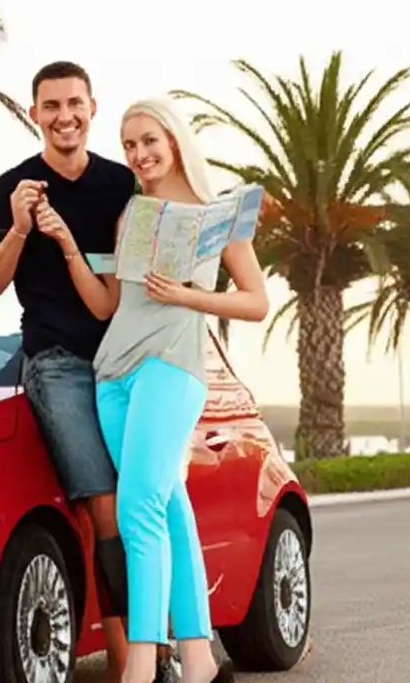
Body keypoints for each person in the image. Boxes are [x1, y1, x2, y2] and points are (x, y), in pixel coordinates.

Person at [35, 96, 268, 683]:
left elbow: (256, 302)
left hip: (172, 367)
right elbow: (110, 304)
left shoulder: (219, 217)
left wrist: (189, 296)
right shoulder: (132, 216)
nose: (139, 155)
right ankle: (199, 660)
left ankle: (143, 659)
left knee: (138, 504)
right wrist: (67, 245)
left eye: (149, 141)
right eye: (130, 145)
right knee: (169, 507)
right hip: (113, 377)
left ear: (174, 141)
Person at [0, 61, 176, 683]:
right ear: (34, 113)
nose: (65, 116)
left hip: (128, 361)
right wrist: (21, 229)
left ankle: (164, 650)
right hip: (59, 366)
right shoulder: (10, 189)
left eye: (75, 104)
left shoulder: (121, 185)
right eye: (51, 105)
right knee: (108, 510)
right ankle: (133, 667)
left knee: (148, 506)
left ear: (91, 108)